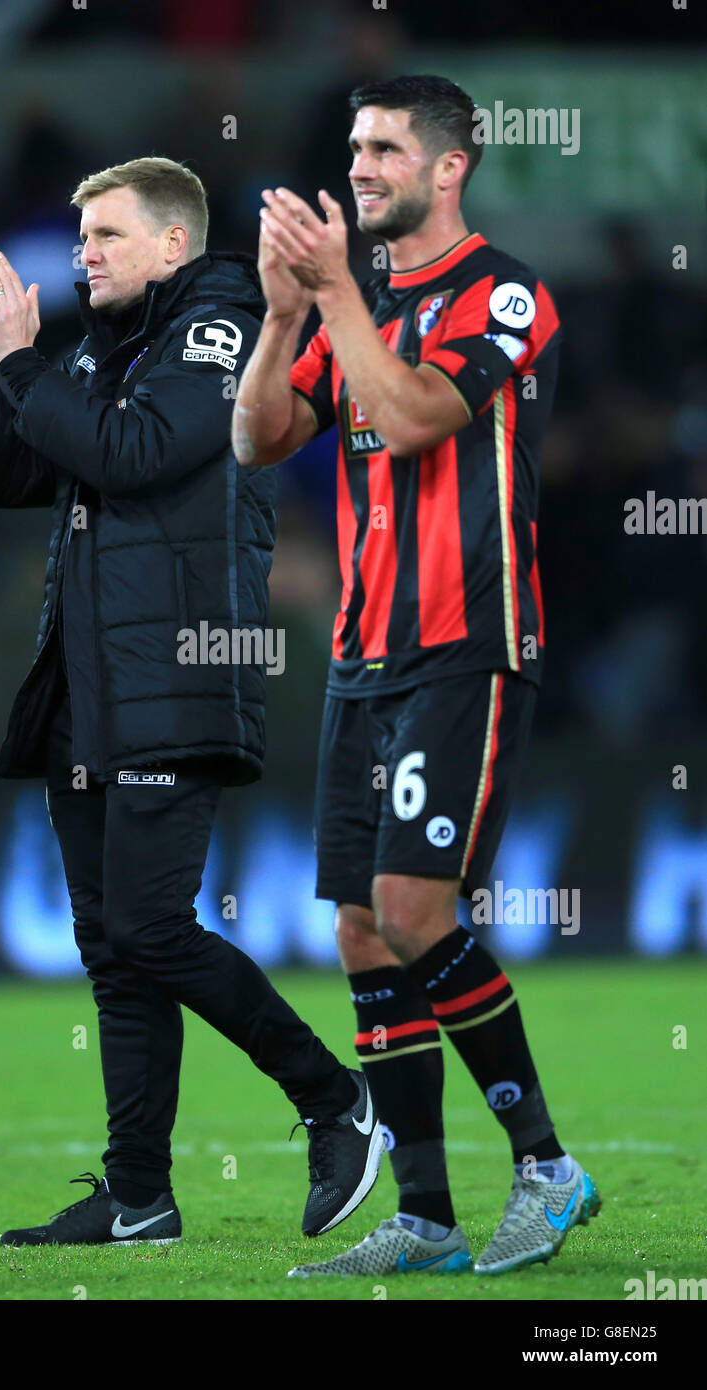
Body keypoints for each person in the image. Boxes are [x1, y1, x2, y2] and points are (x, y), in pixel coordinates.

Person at [0, 156, 381, 1247]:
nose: (83, 254)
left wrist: (23, 360)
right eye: (80, 238)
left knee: (152, 927)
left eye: (106, 235)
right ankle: (136, 1194)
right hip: (86, 683)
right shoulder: (110, 349)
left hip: (174, 673)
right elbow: (23, 474)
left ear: (172, 243)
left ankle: (333, 1096)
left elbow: (133, 451)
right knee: (114, 947)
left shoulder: (219, 332)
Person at [233, 76, 601, 1278]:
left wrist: (336, 292)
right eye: (353, 145)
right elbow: (258, 439)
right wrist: (287, 313)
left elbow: (409, 418)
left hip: (465, 646)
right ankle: (427, 1214)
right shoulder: (360, 302)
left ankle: (545, 1167)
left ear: (450, 166)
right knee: (356, 929)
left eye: (386, 147)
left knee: (411, 911)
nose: (362, 165)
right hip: (361, 656)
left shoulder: (500, 293)